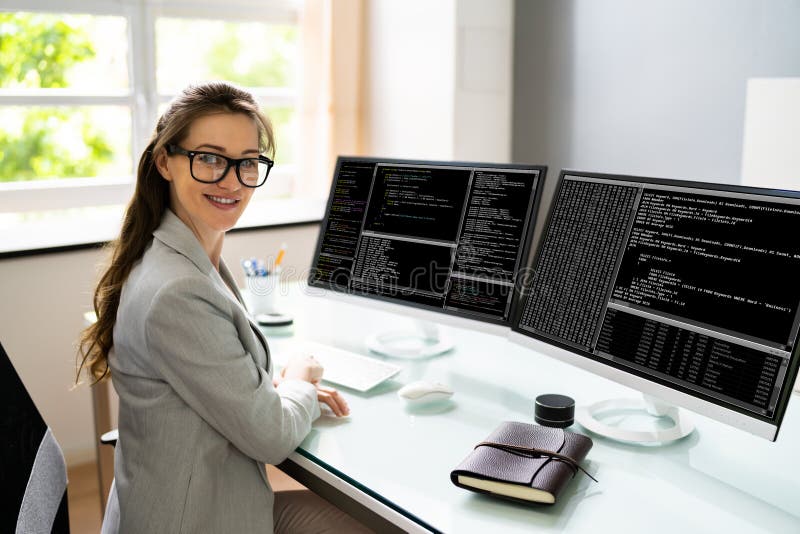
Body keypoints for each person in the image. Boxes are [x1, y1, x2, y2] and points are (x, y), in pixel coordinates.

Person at [78, 81, 371, 533]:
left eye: (248, 163)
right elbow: (271, 437)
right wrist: (299, 383)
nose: (232, 181)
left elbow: (204, 378)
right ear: (165, 162)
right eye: (210, 158)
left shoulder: (182, 257)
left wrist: (266, 389)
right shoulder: (176, 291)